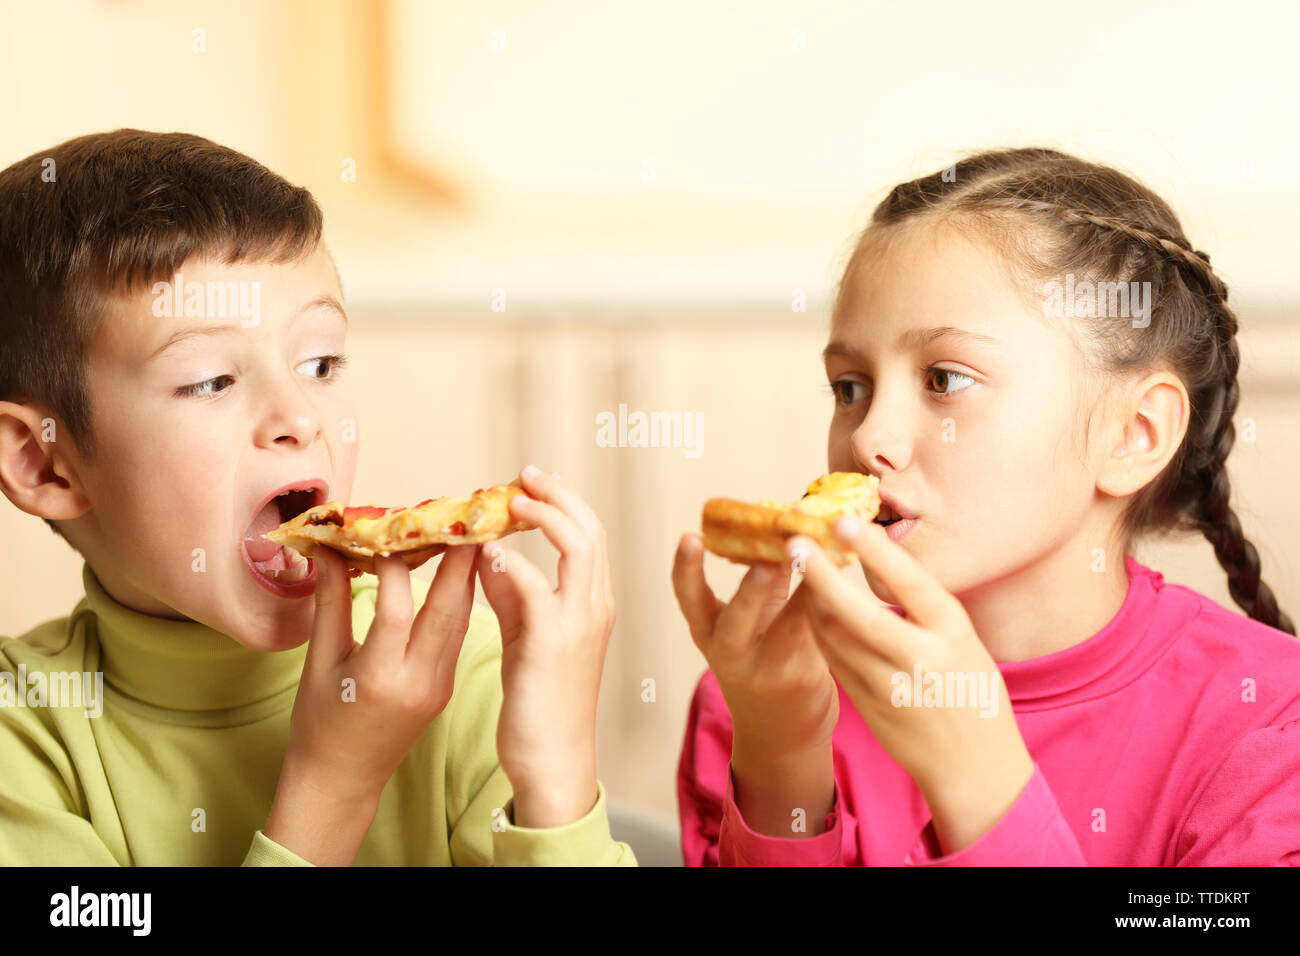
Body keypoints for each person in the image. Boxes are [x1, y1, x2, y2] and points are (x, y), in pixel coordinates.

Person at [0, 129, 634, 866]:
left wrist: (555, 774)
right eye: (211, 381)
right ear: (44, 462)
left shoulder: (466, 676)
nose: (300, 416)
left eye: (321, 362)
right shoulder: (26, 742)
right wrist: (334, 785)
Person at [674, 146, 1300, 865]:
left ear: (1133, 434)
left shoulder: (1274, 735)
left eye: (945, 379)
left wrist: (983, 788)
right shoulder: (766, 699)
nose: (868, 438)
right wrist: (782, 763)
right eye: (849, 387)